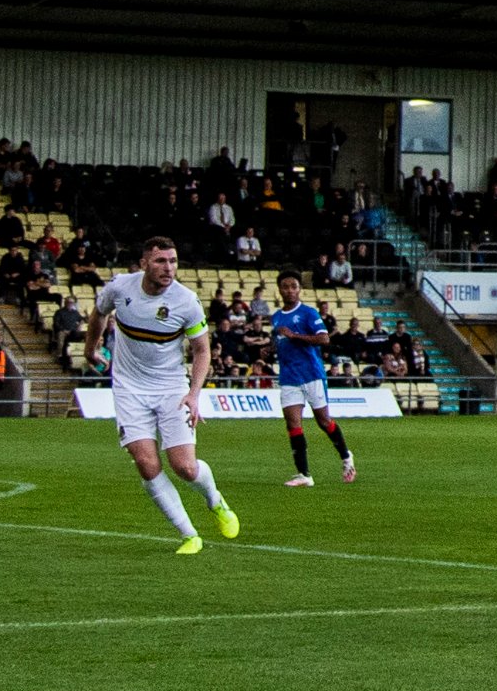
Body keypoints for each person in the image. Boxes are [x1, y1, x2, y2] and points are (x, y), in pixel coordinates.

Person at [94, 237, 240, 553]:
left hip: (172, 389)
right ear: (144, 263)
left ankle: (214, 499)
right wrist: (92, 349)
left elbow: (202, 351)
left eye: (173, 261)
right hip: (129, 389)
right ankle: (189, 535)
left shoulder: (186, 301)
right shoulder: (120, 288)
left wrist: (194, 393)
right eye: (161, 261)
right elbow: (98, 313)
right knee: (146, 464)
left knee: (184, 467)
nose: (169, 268)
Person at [265, 271, 359, 488]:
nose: (289, 290)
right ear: (279, 289)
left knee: (323, 421)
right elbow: (280, 342)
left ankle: (346, 457)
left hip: (311, 374)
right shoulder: (277, 317)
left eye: (293, 286)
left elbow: (324, 338)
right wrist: (269, 350)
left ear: (300, 289)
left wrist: (295, 336)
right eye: (285, 286)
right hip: (289, 377)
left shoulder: (308, 313)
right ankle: (304, 474)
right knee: (292, 423)